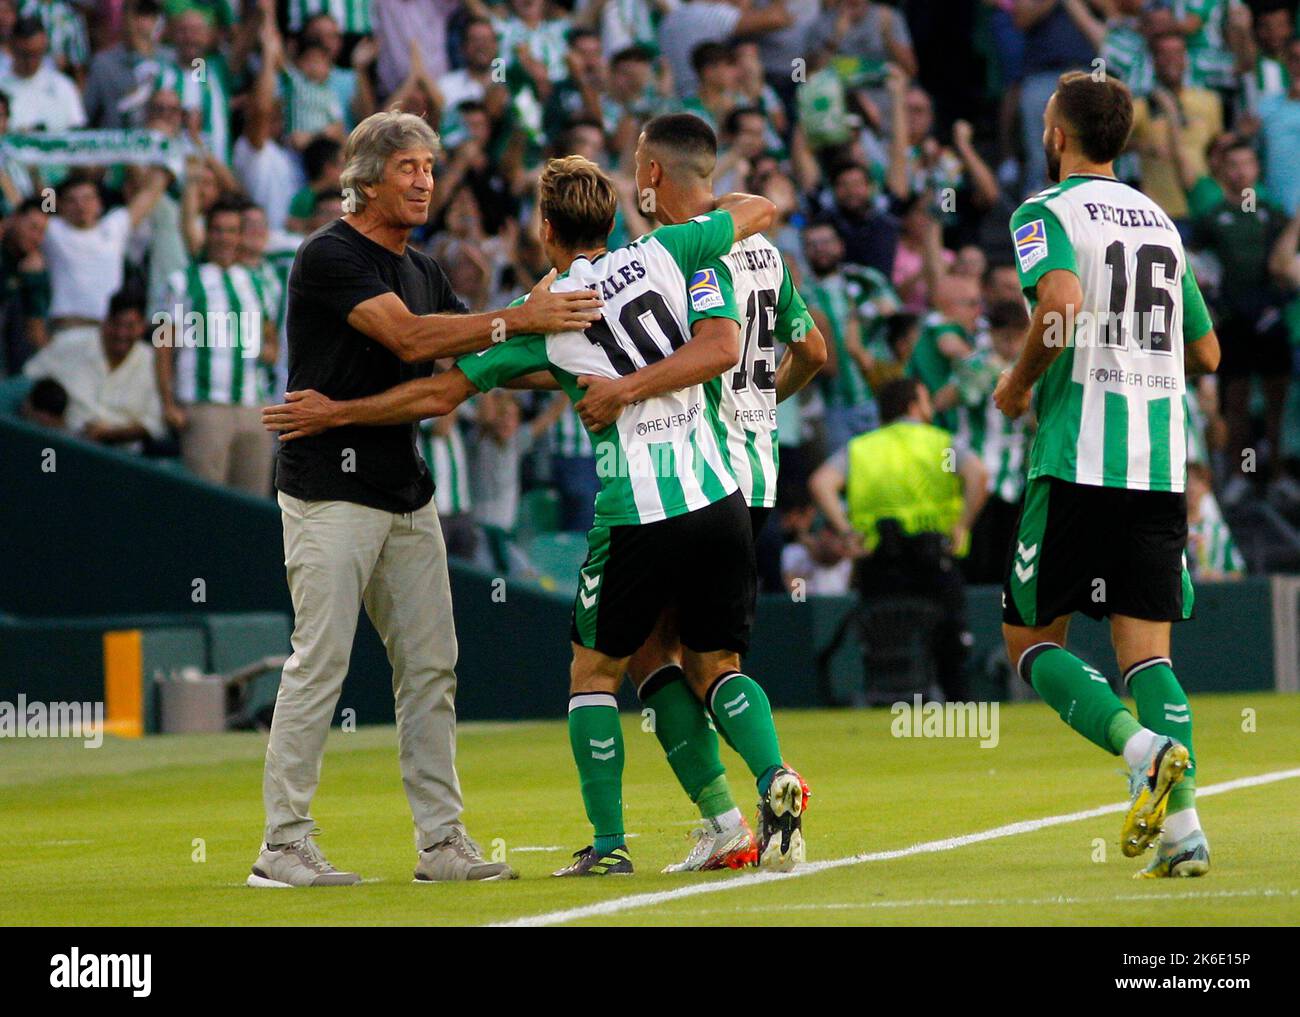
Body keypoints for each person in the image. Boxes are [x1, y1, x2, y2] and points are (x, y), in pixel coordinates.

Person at [260, 151, 798, 878]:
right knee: (712, 662)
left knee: (593, 672)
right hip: (724, 495)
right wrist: (707, 215)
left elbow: (437, 395)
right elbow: (759, 211)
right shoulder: (673, 248)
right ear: (614, 215)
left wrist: (339, 412)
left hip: (639, 506)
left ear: (544, 228)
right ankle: (765, 788)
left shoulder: (545, 318)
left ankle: (610, 845)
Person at [246, 110, 603, 888]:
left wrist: (605, 373)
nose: (424, 182)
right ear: (364, 176)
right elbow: (411, 341)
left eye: (431, 169)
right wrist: (523, 314)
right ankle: (281, 845)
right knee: (320, 663)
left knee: (432, 669)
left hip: (406, 492)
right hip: (328, 491)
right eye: (408, 166)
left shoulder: (425, 267)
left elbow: (450, 384)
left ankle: (442, 842)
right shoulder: (329, 254)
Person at [573, 112, 826, 872]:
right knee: (717, 659)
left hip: (686, 477)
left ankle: (722, 819)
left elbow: (695, 355)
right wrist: (765, 405)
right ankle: (769, 783)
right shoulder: (767, 256)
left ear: (650, 174)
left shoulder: (670, 259)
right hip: (753, 480)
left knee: (651, 656)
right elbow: (815, 350)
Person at [994, 71, 1220, 878]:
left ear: (1056, 136)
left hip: (1077, 453)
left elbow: (1058, 302)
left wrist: (1018, 384)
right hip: (1158, 461)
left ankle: (1139, 746)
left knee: (1027, 637)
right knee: (1147, 654)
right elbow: (1207, 352)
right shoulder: (1163, 223)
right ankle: (1185, 834)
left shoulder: (1042, 213)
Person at [809, 377, 988, 703]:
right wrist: (962, 525)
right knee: (951, 649)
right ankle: (957, 711)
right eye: (925, 400)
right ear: (912, 405)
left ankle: (888, 704)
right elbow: (979, 475)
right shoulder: (940, 443)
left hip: (879, 564)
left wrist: (847, 532)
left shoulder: (862, 448)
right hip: (936, 559)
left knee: (885, 643)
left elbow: (821, 482)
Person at [22, 287, 164, 450]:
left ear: (142, 327)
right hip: (65, 445)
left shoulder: (153, 363)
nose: (121, 333)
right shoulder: (71, 343)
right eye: (116, 324)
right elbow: (28, 376)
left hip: (122, 458)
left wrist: (108, 435)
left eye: (130, 326)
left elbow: (154, 425)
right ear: (106, 321)